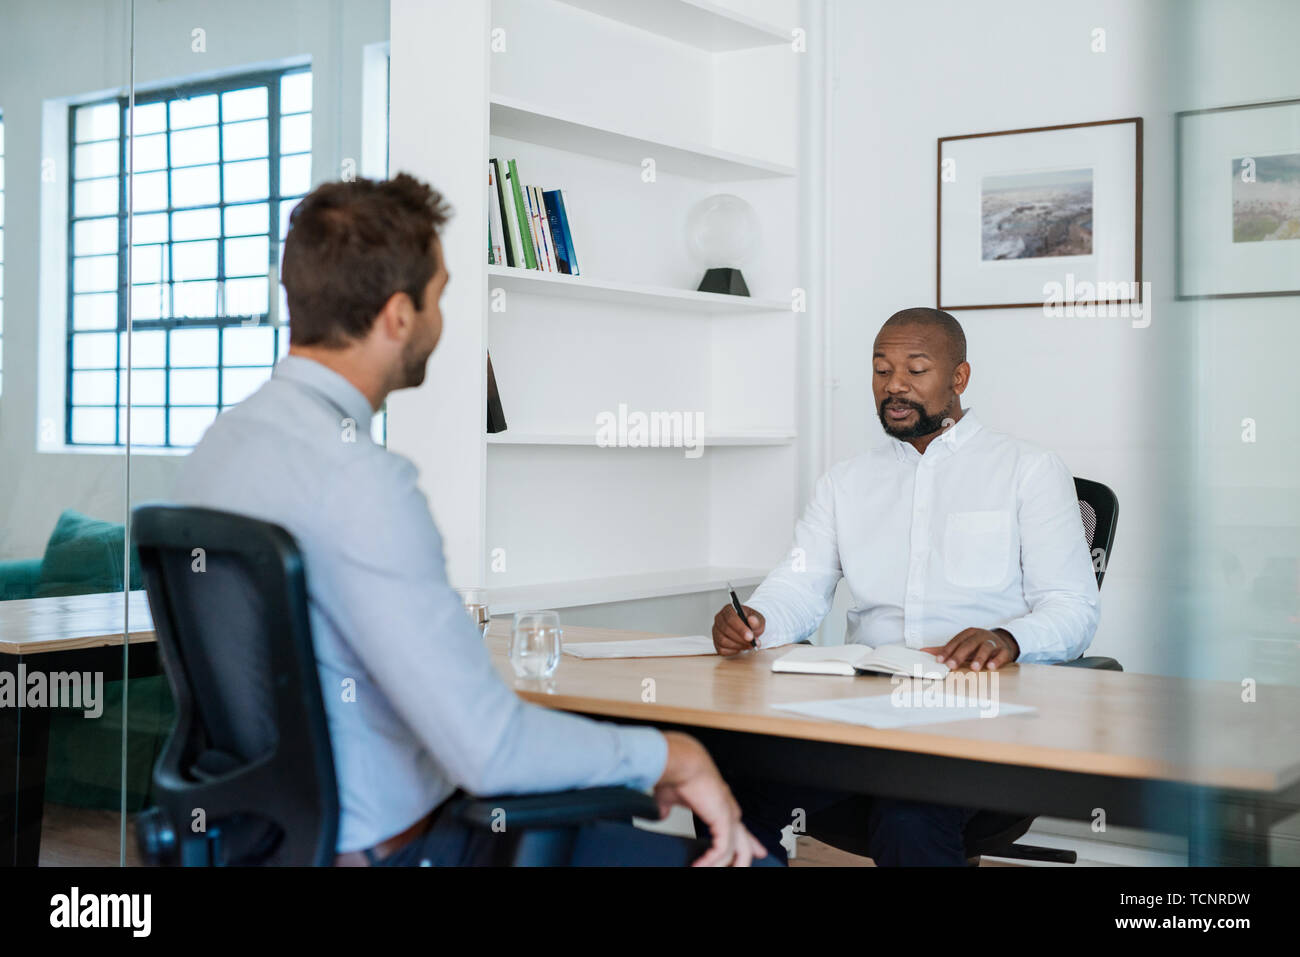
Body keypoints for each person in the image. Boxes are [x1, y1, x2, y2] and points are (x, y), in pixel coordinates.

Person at [174, 174, 766, 867]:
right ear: (398, 316)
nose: (442, 320)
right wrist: (675, 753)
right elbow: (490, 751)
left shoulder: (215, 451)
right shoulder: (364, 482)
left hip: (265, 840)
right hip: (410, 847)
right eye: (439, 297)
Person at [710, 307, 1100, 865]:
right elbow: (798, 587)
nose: (894, 385)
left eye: (916, 370)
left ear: (958, 379)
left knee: (910, 819)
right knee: (733, 786)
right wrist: (758, 620)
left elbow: (1073, 608)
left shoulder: (1028, 470)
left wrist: (1008, 638)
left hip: (979, 713)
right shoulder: (845, 482)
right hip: (862, 711)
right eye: (880, 369)